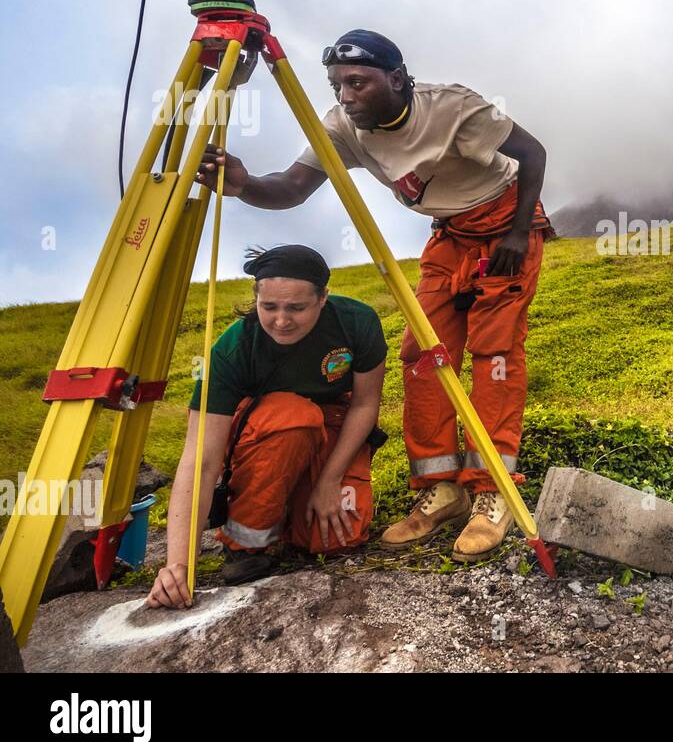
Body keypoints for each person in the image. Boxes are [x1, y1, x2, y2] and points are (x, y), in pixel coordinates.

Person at [196, 30, 553, 563]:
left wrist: (519, 233)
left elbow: (532, 152)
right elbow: (292, 188)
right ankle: (444, 489)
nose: (345, 96)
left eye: (358, 83)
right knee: (420, 354)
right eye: (338, 85)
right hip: (448, 234)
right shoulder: (342, 127)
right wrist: (245, 183)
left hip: (505, 222)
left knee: (494, 354)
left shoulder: (453, 108)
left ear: (397, 78)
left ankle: (491, 491)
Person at [146, 245, 387, 608]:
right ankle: (249, 543)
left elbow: (365, 405)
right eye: (269, 306)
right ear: (256, 297)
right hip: (272, 428)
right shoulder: (233, 349)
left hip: (334, 422)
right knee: (295, 417)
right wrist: (178, 563)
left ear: (324, 297)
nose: (280, 321)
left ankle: (293, 507)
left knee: (337, 538)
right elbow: (200, 459)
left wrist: (328, 481)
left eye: (296, 308)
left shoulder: (357, 322)